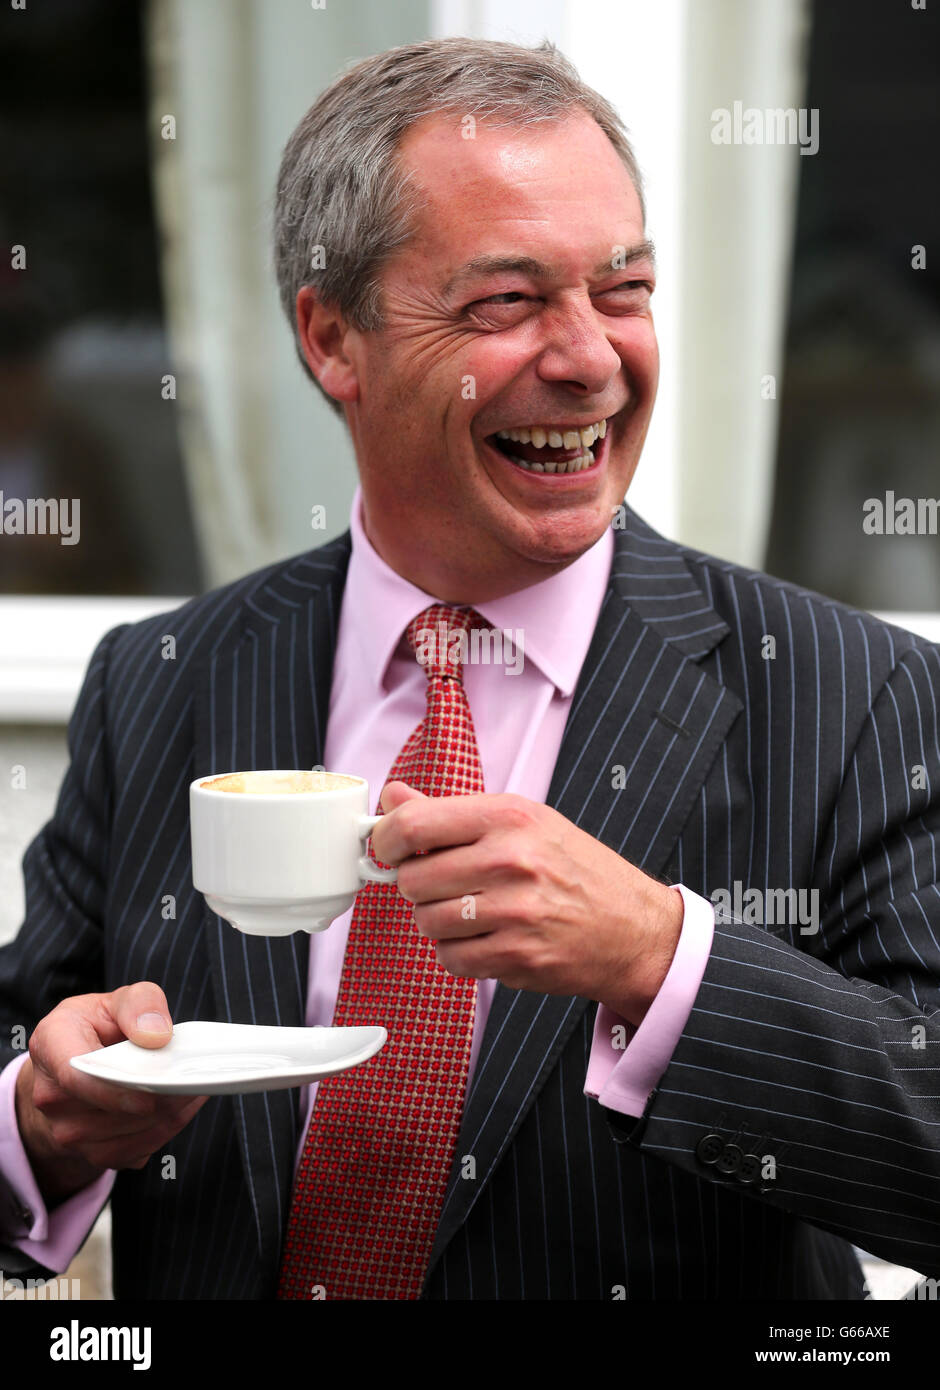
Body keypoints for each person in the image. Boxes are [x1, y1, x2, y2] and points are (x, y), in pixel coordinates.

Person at [1, 36, 939, 1300]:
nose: (590, 358)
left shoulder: (849, 691)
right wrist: (42, 1122)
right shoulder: (162, 675)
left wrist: (663, 959)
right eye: (506, 301)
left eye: (623, 290)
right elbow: (33, 1042)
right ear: (334, 340)